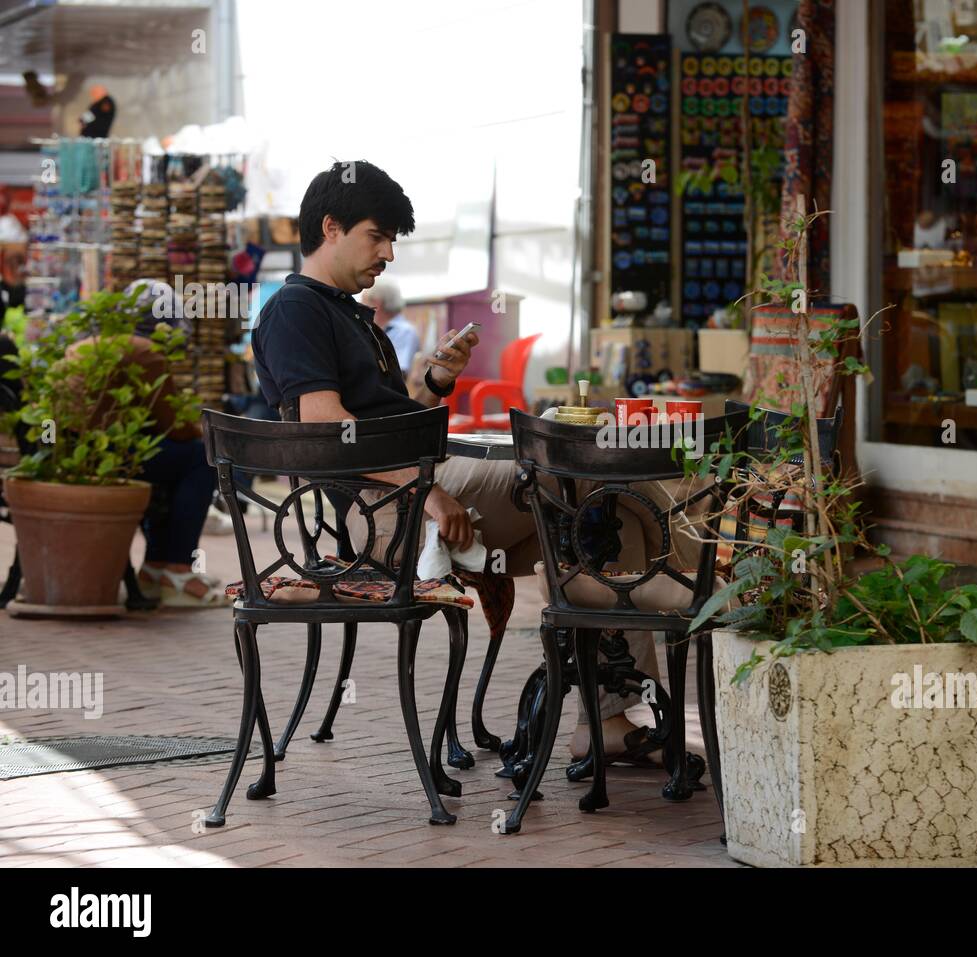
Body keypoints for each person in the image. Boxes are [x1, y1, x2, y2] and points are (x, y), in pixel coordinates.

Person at [251, 161, 665, 763]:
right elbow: (325, 431)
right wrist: (428, 490)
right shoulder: (296, 310)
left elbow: (387, 425)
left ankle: (605, 717)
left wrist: (435, 379)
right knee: (585, 488)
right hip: (387, 514)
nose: (389, 253)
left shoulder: (345, 311)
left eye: (393, 239)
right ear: (331, 226)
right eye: (378, 235)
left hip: (413, 490)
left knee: (604, 518)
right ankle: (616, 701)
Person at [76, 279, 228, 606]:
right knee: (203, 458)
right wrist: (206, 435)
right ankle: (176, 571)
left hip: (82, 456)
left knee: (171, 461)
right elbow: (172, 425)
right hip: (113, 458)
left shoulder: (89, 342)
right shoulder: (143, 351)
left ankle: (156, 569)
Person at [360, 278, 419, 374]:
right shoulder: (374, 329)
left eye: (363, 301)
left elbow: (401, 370)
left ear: (376, 303)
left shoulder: (405, 331)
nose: (360, 306)